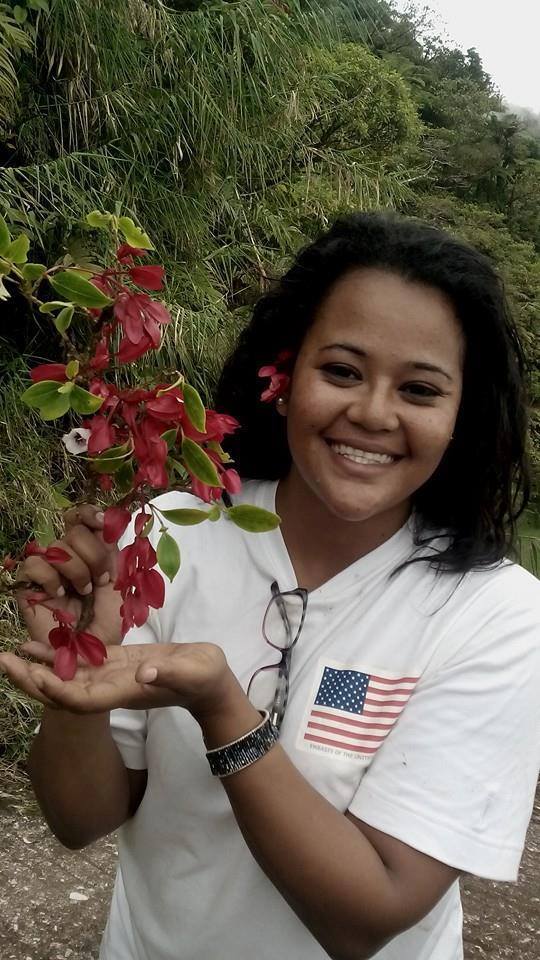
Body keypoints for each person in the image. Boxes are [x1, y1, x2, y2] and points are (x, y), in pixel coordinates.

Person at [1, 211, 539, 960]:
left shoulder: (496, 613)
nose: (373, 414)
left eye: (419, 390)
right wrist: (76, 685)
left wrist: (225, 711)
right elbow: (80, 819)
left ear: (460, 417)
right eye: (342, 371)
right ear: (283, 381)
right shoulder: (173, 532)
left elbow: (368, 916)